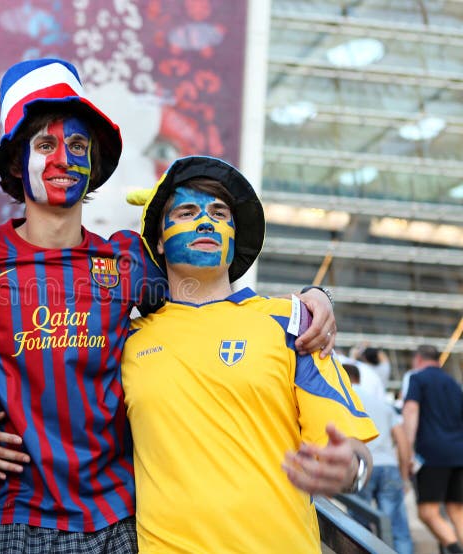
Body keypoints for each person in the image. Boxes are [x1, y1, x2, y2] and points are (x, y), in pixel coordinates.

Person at [0, 58, 338, 552]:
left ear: (94, 163)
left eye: (77, 146)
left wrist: (312, 299)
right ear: (18, 163)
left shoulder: (128, 260)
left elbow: (210, 296)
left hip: (119, 518)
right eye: (45, 145)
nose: (63, 159)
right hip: (11, 517)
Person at [120, 155, 377, 553]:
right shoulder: (125, 340)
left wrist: (351, 469)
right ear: (157, 238)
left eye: (220, 212)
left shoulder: (294, 323)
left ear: (235, 233)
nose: (206, 221)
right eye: (187, 211)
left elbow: (351, 448)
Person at [343, 362, 414, 554]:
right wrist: (405, 476)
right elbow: (402, 440)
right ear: (360, 377)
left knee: (359, 528)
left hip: (360, 467)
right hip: (389, 467)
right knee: (398, 529)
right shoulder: (382, 404)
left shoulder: (343, 400)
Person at [403, 344, 463, 554]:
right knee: (456, 509)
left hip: (432, 453)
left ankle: (455, 550)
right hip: (458, 453)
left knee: (427, 511)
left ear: (418, 359)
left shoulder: (417, 378)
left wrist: (409, 451)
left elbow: (411, 410)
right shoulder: (454, 384)